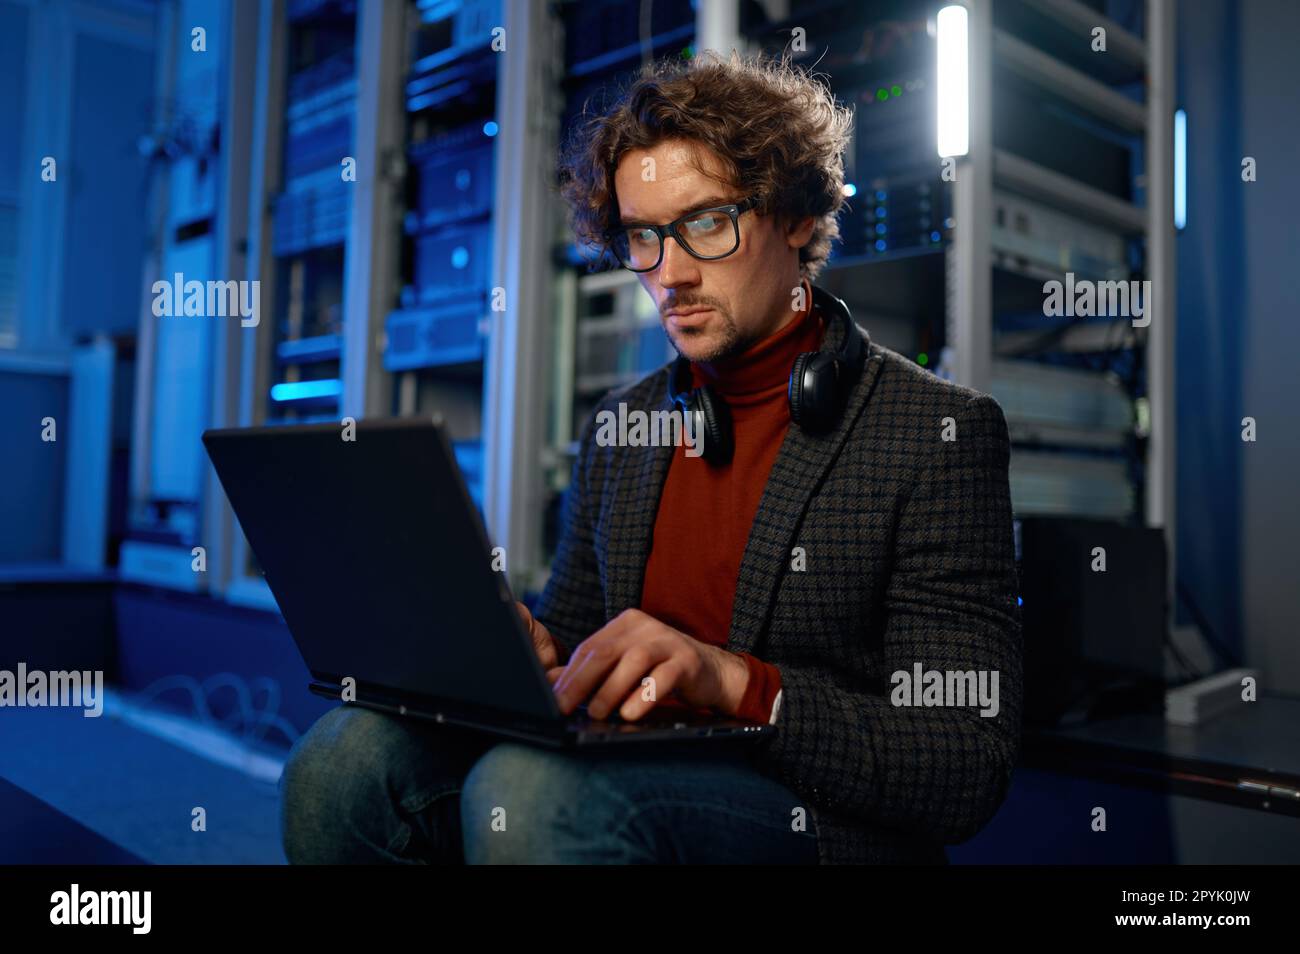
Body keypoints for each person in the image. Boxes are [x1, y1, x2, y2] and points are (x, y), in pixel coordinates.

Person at [281, 50, 1021, 865]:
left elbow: (963, 764)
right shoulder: (624, 426)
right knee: (341, 762)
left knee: (530, 794)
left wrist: (731, 682)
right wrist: (527, 652)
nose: (669, 274)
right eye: (642, 236)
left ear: (799, 216)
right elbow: (574, 634)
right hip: (620, 762)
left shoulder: (938, 435)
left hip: (810, 819)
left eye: (706, 223)